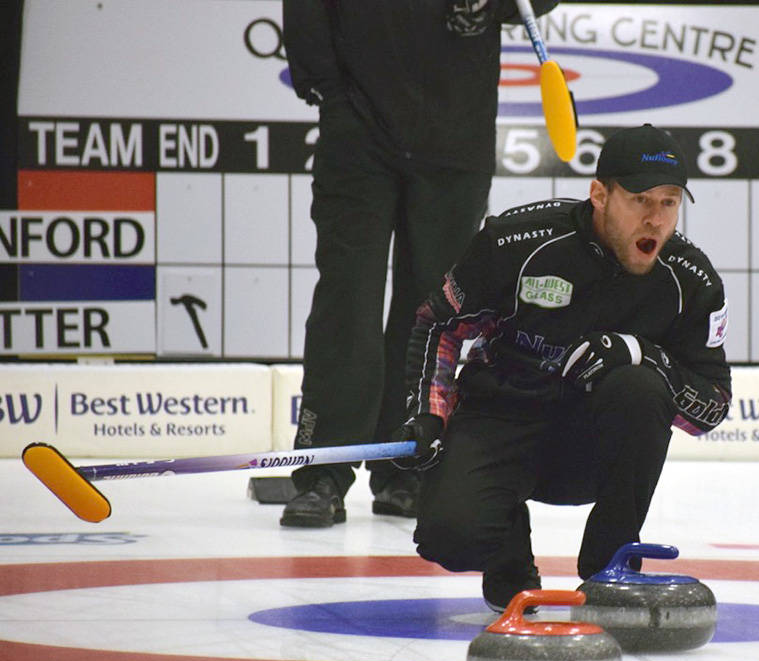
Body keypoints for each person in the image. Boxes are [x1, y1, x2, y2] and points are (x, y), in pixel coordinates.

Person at [390, 124, 732, 610]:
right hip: (501, 423)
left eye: (670, 202)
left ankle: (609, 571)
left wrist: (644, 354)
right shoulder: (516, 242)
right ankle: (509, 563)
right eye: (640, 200)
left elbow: (711, 408)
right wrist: (428, 414)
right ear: (599, 195)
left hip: (589, 448)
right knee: (450, 538)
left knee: (640, 388)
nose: (656, 220)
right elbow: (438, 325)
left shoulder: (690, 281)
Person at [278, 0, 561, 528]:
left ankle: (407, 463)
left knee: (432, 308)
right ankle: (322, 470)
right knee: (348, 301)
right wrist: (326, 88)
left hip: (456, 129)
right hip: (358, 126)